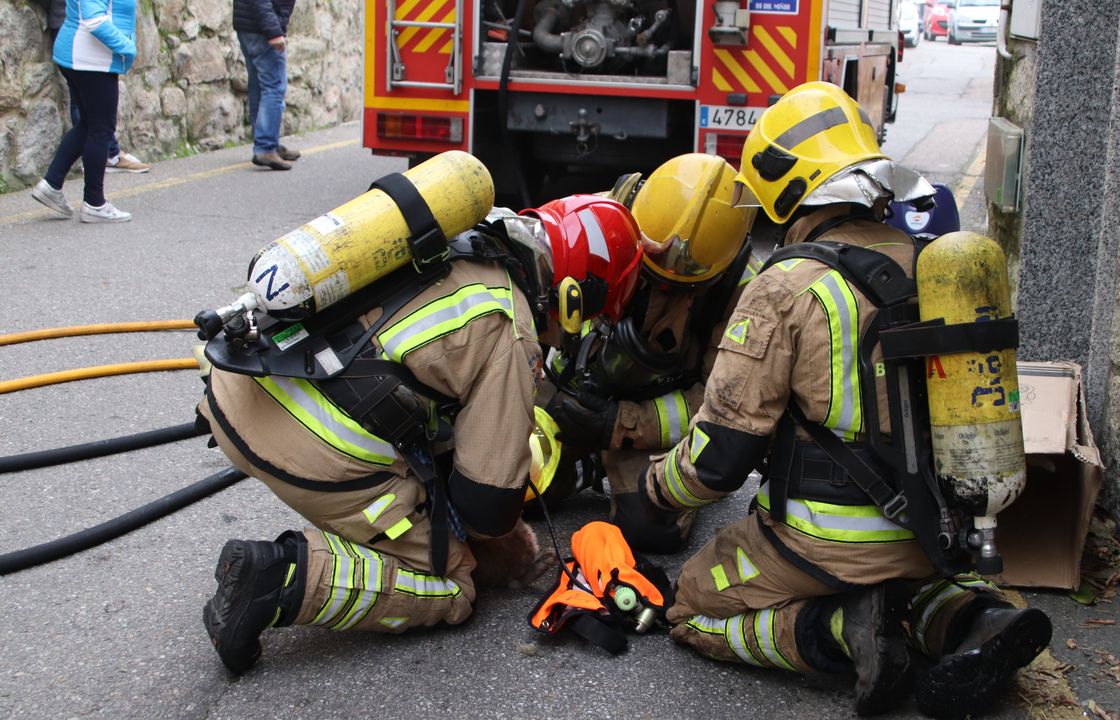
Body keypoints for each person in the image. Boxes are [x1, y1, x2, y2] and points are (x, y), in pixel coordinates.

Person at [633, 82, 1052, 718]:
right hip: (932, 532)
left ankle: (837, 634)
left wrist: (656, 490)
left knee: (690, 607)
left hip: (819, 544)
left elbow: (719, 460)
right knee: (908, 584)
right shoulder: (929, 265)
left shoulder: (787, 288)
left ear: (785, 187)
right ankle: (972, 615)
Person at [198, 193, 643, 674]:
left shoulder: (463, 240)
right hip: (300, 438)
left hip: (235, 386)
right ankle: (278, 579)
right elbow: (487, 511)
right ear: (578, 293)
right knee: (453, 585)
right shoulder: (511, 327)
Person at [541, 153, 759, 554]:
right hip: (573, 391)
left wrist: (617, 424)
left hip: (647, 419)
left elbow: (720, 405)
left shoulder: (746, 293)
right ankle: (582, 464)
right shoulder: (598, 221)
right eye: (648, 271)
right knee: (517, 491)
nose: (657, 287)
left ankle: (600, 460)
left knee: (650, 529)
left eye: (676, 286)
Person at [30, 0, 137, 222]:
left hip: (84, 56)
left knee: (89, 124)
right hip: (91, 60)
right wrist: (127, 48)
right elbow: (93, 18)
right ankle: (94, 203)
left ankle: (51, 183)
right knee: (101, 129)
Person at [35, 0, 152, 175]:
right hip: (77, 28)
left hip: (80, 25)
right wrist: (129, 49)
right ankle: (107, 158)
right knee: (95, 122)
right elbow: (93, 19)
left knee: (91, 120)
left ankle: (55, 183)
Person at [233, 0, 301, 170]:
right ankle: (266, 147)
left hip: (251, 25)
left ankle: (269, 143)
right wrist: (273, 31)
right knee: (274, 87)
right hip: (261, 28)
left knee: (259, 87)